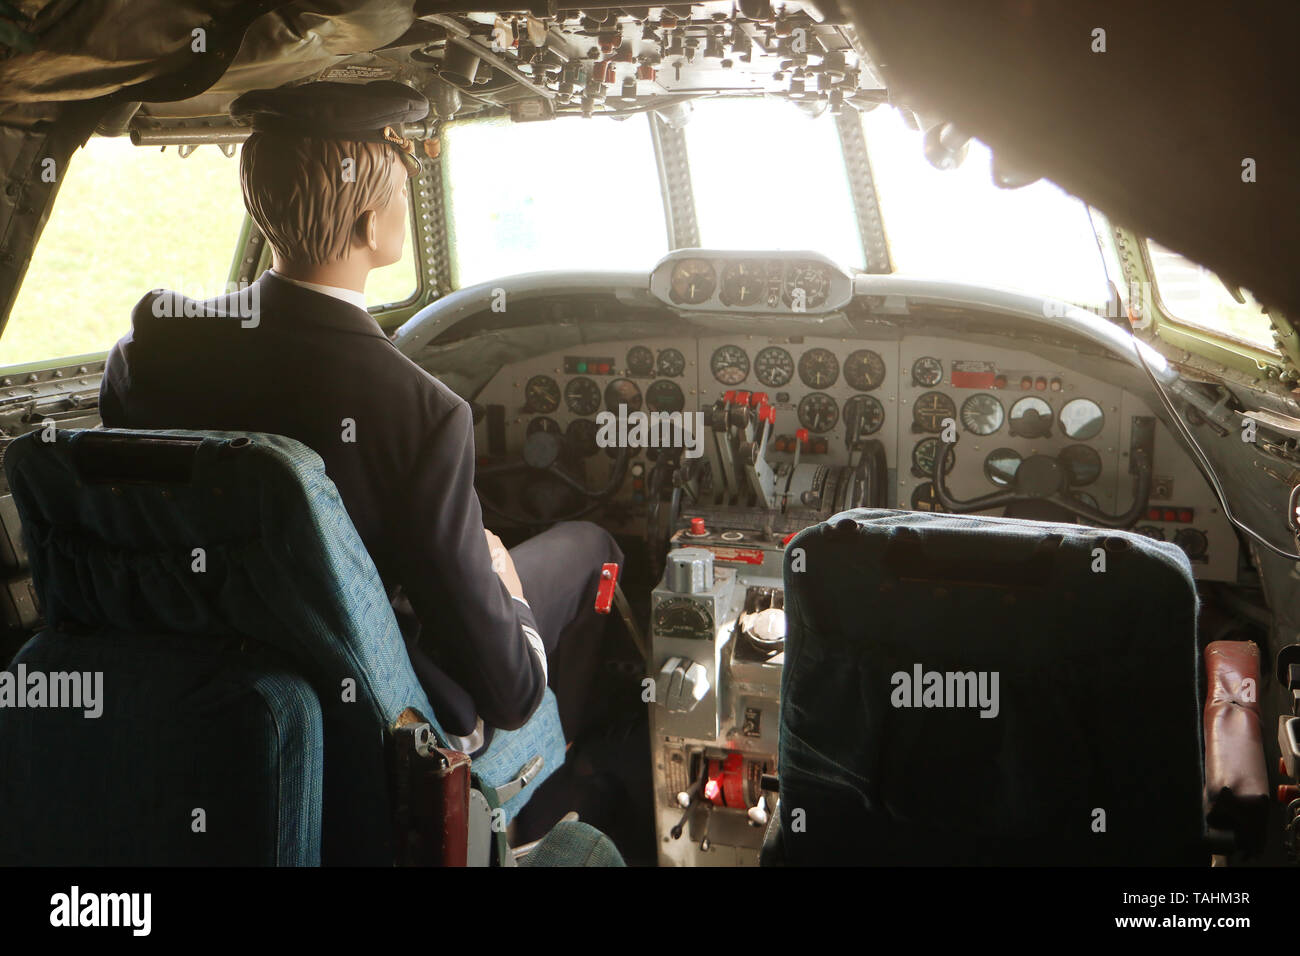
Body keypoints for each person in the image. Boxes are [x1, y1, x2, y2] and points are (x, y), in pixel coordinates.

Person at [98, 80, 622, 756]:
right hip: (370, 713)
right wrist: (506, 588)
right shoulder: (420, 413)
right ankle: (563, 780)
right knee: (589, 545)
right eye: (402, 193)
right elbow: (509, 691)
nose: (403, 207)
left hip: (187, 689)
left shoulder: (149, 351)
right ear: (373, 227)